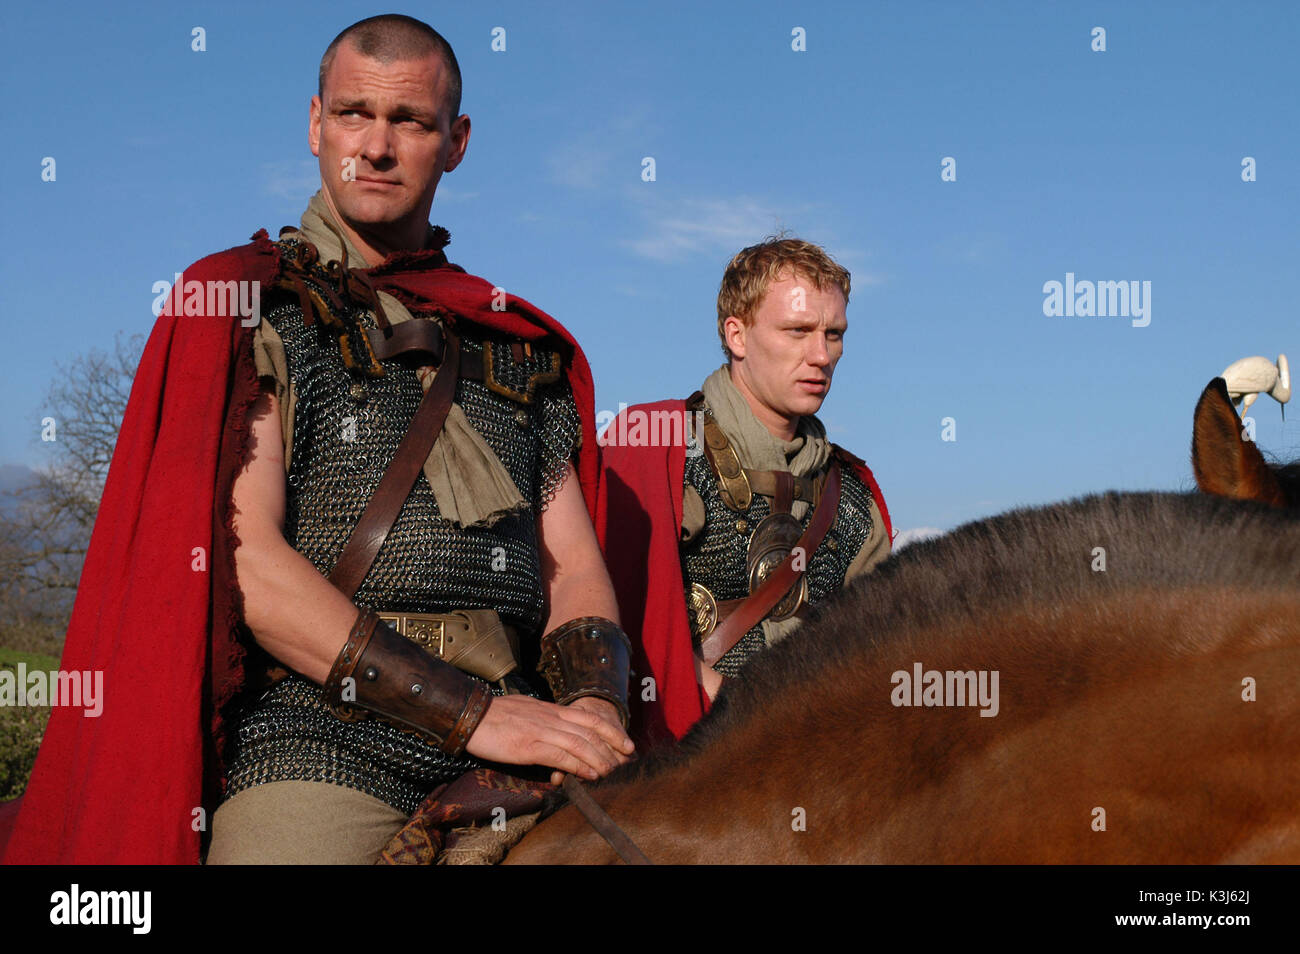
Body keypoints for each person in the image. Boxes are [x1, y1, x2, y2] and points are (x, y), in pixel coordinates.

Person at [3, 14, 632, 866]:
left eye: (410, 121)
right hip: (328, 740)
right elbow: (247, 562)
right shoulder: (259, 309)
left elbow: (575, 567)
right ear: (313, 125)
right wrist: (476, 716)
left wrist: (593, 705)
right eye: (352, 115)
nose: (376, 147)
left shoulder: (513, 348)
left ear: (457, 141)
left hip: (526, 740)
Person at [596, 238, 894, 746]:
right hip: (673, 760)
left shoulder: (853, 494)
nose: (821, 355)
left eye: (834, 334)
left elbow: (877, 651)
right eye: (798, 331)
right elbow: (604, 612)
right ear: (737, 334)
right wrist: (716, 698)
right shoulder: (654, 445)